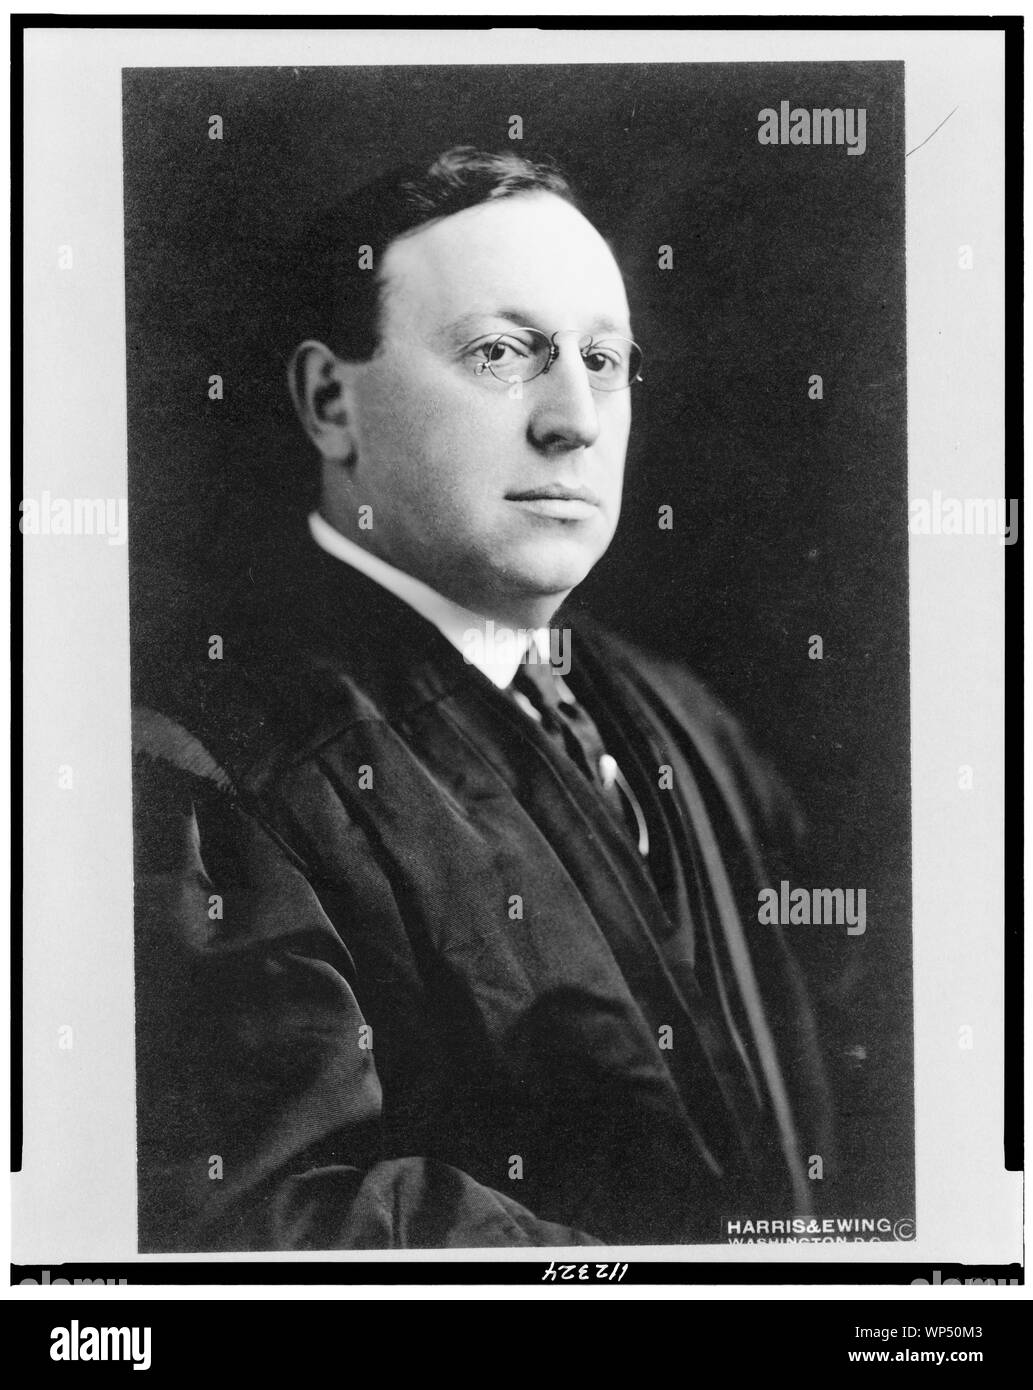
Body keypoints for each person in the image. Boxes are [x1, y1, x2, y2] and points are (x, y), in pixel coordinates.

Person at [132, 146, 832, 1251]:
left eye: (604, 361)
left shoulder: (683, 721)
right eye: (503, 353)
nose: (576, 420)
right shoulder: (209, 767)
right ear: (329, 400)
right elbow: (252, 1223)